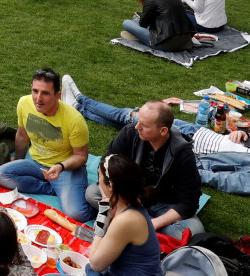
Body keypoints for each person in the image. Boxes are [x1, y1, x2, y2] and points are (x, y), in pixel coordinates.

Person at [64, 77, 250, 201]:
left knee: (135, 120)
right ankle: (80, 105)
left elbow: (226, 179)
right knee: (133, 118)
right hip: (203, 135)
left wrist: (187, 169)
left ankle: (80, 102)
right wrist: (238, 133)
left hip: (194, 148)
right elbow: (249, 145)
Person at [62, 81, 202, 236]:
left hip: (162, 205)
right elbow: (105, 165)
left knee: (193, 231)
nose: (137, 127)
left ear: (163, 131)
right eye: (138, 121)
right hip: (128, 196)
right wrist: (106, 200)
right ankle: (137, 224)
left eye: (144, 125)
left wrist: (156, 223)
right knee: (93, 193)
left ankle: (133, 222)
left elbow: (189, 201)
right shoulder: (130, 133)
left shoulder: (182, 153)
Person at [0, 68, 93, 223]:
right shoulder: (24, 103)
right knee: (1, 174)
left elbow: (81, 156)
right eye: (35, 91)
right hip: (36, 163)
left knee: (77, 214)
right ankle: (53, 189)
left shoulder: (75, 120)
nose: (38, 98)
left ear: (58, 96)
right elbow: (21, 135)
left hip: (65, 169)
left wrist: (60, 166)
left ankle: (64, 189)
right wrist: (18, 160)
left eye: (45, 93)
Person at [120, 0, 194, 52]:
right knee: (137, 20)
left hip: (166, 44)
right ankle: (140, 35)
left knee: (127, 22)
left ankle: (139, 37)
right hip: (186, 41)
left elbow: (143, 24)